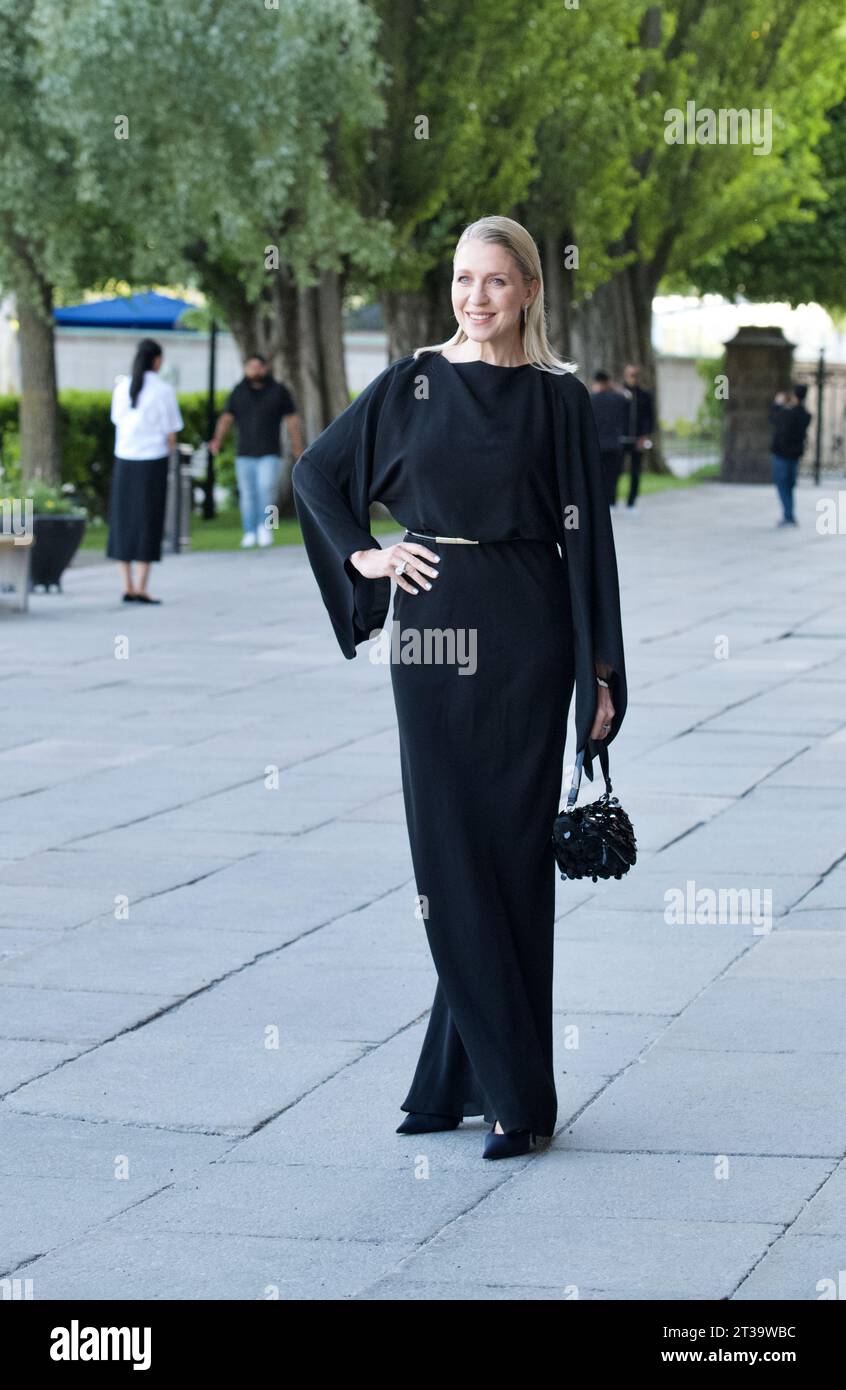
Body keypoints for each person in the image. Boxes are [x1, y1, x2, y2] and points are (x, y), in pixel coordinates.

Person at [292, 215, 627, 1161]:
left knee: (510, 856)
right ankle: (476, 1077)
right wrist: (366, 555)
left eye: (495, 281)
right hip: (434, 639)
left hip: (530, 635)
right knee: (449, 855)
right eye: (462, 279)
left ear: (528, 289)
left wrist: (599, 671)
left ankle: (499, 1089)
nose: (475, 298)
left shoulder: (559, 399)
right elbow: (317, 473)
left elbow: (586, 540)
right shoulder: (411, 382)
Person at [107, 338, 183, 604]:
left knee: (123, 520)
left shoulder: (122, 388)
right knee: (148, 520)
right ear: (158, 360)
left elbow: (117, 421)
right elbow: (171, 431)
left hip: (125, 458)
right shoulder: (163, 390)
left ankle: (126, 584)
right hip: (153, 460)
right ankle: (141, 585)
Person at [209, 354, 303, 548]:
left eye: (257, 367)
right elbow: (226, 418)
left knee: (268, 489)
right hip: (244, 453)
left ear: (265, 368)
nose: (254, 371)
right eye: (250, 367)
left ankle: (268, 528)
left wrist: (297, 446)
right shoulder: (238, 392)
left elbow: (292, 420)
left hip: (270, 452)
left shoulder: (278, 391)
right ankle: (249, 531)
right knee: (247, 494)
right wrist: (217, 439)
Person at [770, 384, 811, 527]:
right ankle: (789, 514)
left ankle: (789, 515)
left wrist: (777, 404)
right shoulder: (805, 415)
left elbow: (773, 419)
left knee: (782, 485)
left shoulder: (787, 413)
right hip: (794, 456)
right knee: (789, 486)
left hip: (782, 455)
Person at [590, 370, 630, 507]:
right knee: (612, 476)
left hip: (596, 444)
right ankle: (611, 502)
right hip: (614, 443)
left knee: (596, 475)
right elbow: (628, 399)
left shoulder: (591, 399)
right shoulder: (618, 399)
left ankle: (598, 502)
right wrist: (614, 387)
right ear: (608, 382)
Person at [620, 363, 655, 511]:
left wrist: (645, 436)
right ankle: (611, 501)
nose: (632, 378)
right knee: (614, 471)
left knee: (635, 472)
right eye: (629, 374)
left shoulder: (645, 396)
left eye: (634, 375)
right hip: (620, 439)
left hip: (638, 439)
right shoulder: (618, 394)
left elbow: (649, 418)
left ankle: (631, 502)